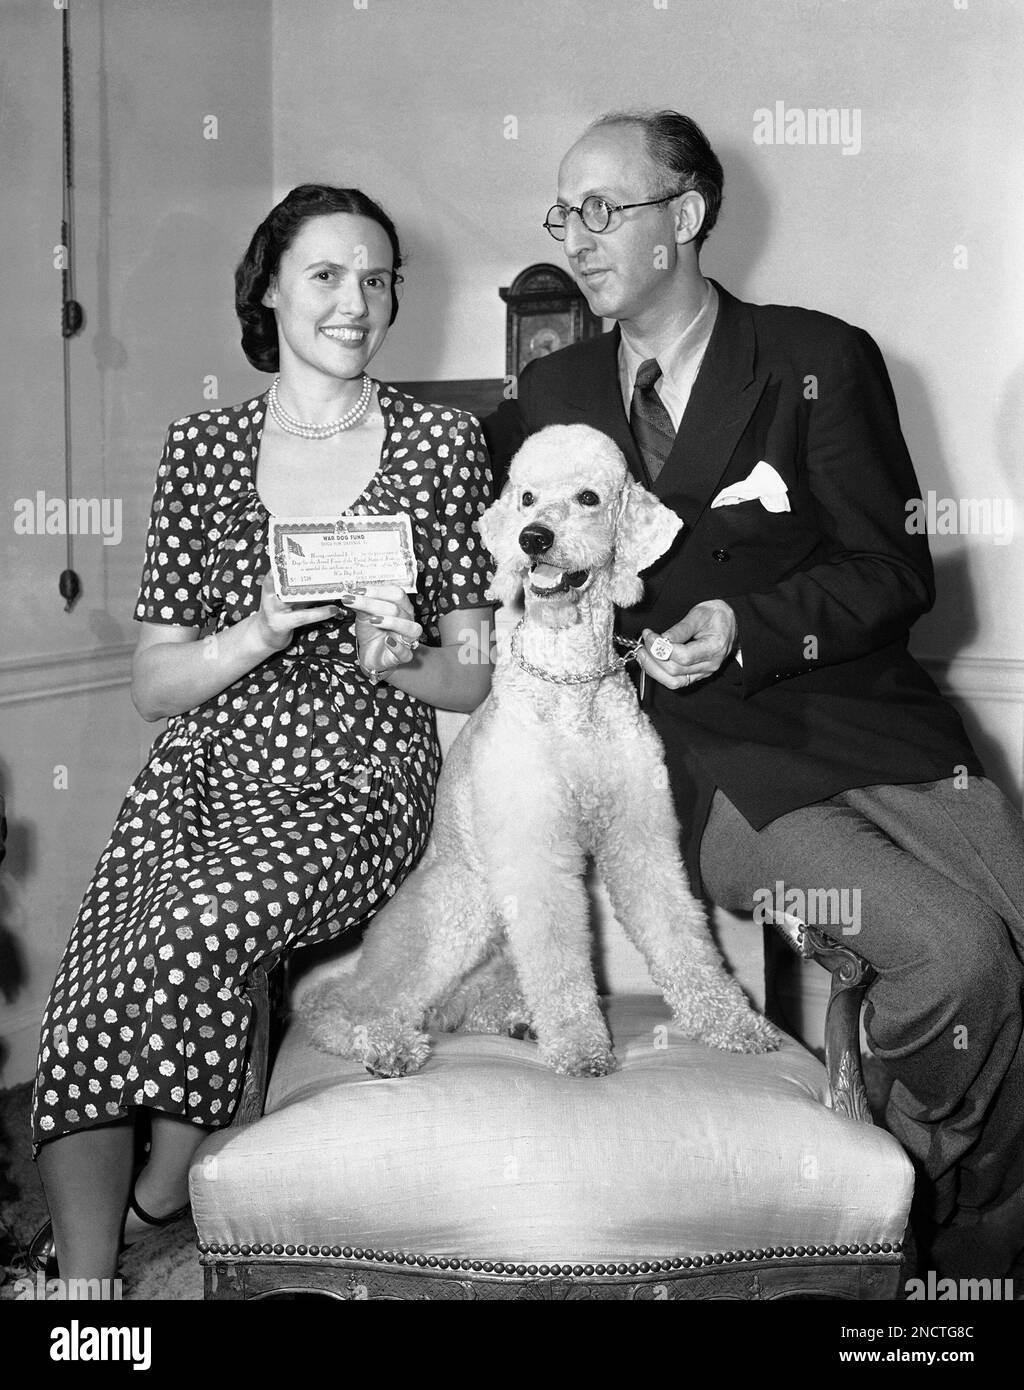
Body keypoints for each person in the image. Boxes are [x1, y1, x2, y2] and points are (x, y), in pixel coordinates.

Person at [484, 110, 1024, 1281]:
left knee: (1016, 940)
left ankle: (934, 1192)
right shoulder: (553, 387)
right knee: (952, 956)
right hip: (697, 768)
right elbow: (465, 517)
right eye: (559, 212)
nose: (574, 236)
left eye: (600, 209)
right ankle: (930, 1214)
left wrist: (745, 624)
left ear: (683, 216)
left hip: (863, 718)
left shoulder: (817, 354)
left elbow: (891, 571)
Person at [29, 184, 495, 1291]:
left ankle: (163, 1187)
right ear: (271, 288)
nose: (356, 300)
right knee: (88, 991)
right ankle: (88, 1304)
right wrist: (262, 625)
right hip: (198, 772)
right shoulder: (201, 448)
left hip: (354, 781)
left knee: (191, 932)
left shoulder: (442, 444)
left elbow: (473, 669)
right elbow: (154, 683)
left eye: (376, 277)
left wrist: (406, 661)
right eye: (327, 273)